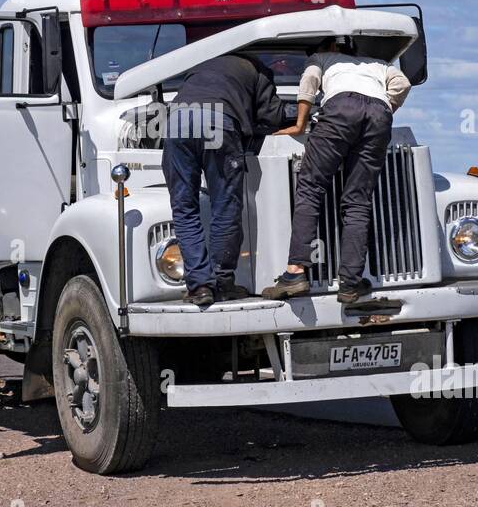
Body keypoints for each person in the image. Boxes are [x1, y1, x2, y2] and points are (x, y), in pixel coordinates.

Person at [262, 36, 411, 304]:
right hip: (378, 114)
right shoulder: (376, 64)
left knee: (310, 188)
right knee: (358, 201)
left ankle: (295, 272)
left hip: (340, 109)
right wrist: (386, 107)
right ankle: (350, 283)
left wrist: (299, 124)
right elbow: (402, 83)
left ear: (330, 46)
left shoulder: (321, 58)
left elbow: (309, 81)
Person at [163, 53, 288, 306]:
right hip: (217, 122)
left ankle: (199, 287)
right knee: (225, 206)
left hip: (175, 121)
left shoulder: (201, 63)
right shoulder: (258, 68)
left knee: (185, 208)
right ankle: (221, 282)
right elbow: (272, 116)